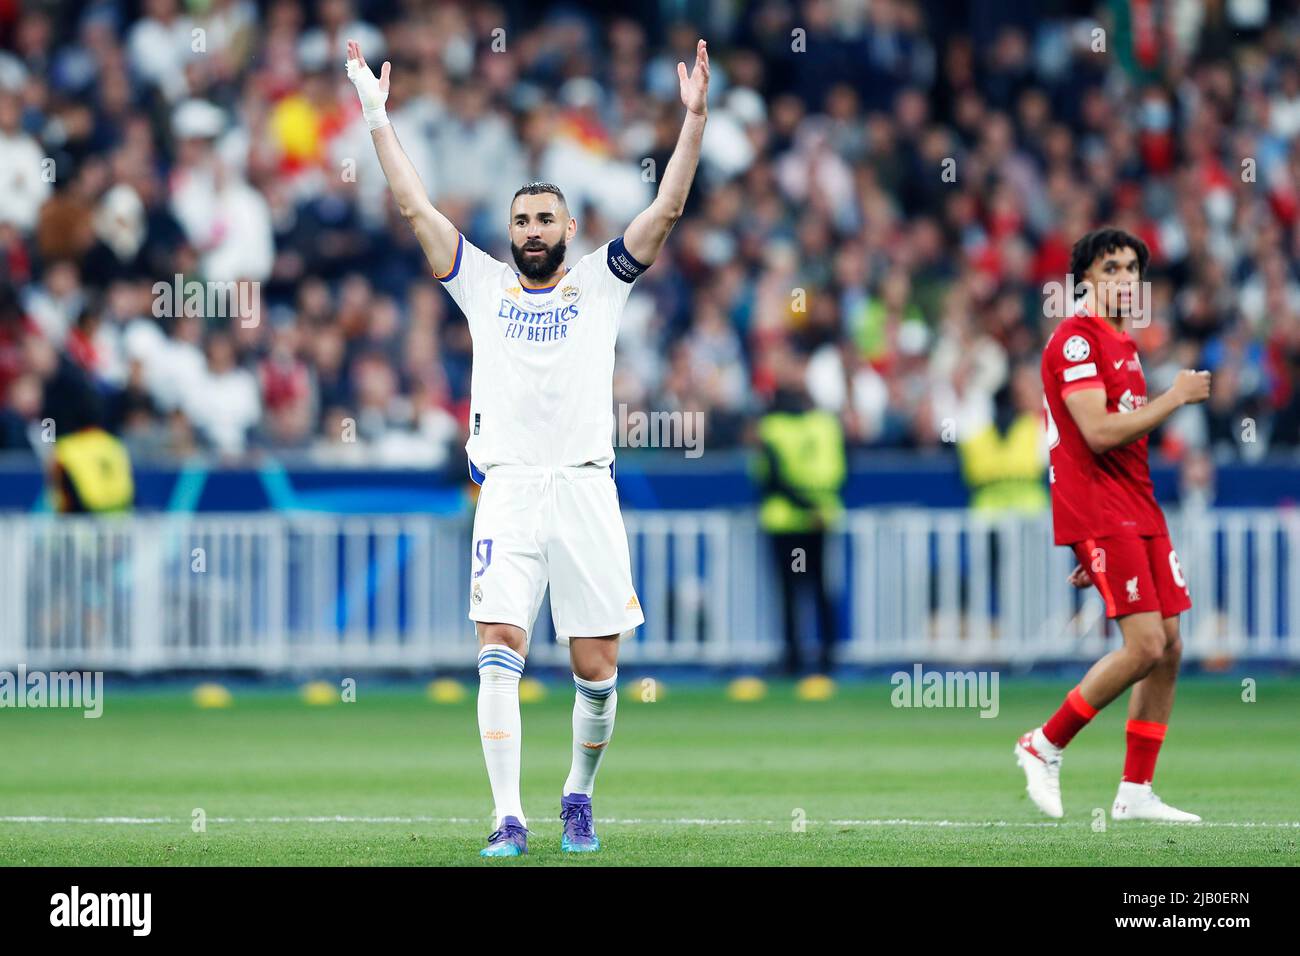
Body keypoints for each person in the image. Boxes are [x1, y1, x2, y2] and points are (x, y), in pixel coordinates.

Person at [346, 37, 710, 856]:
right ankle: (506, 815)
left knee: (598, 670)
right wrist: (375, 117)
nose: (533, 229)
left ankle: (576, 794)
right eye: (521, 219)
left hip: (584, 487)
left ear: (569, 228)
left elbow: (669, 211)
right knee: (499, 647)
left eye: (546, 218)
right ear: (508, 231)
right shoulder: (480, 282)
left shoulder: (601, 281)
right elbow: (414, 207)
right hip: (508, 488)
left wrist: (693, 122)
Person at [1015, 227, 1210, 822]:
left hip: (1136, 508)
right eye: (1111, 269)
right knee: (1145, 644)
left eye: (1131, 269)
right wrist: (1174, 397)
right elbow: (1097, 435)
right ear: (1085, 281)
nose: (1125, 279)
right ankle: (1043, 743)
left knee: (1171, 645)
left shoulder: (1123, 342)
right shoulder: (1076, 340)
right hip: (1104, 509)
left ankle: (1135, 791)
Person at [755, 363, 846, 675]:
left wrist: (803, 505)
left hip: (788, 521)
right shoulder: (826, 425)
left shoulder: (772, 427)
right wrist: (814, 506)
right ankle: (824, 659)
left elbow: (771, 479)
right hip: (816, 518)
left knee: (795, 591)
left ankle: (799, 660)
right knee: (816, 589)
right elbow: (841, 470)